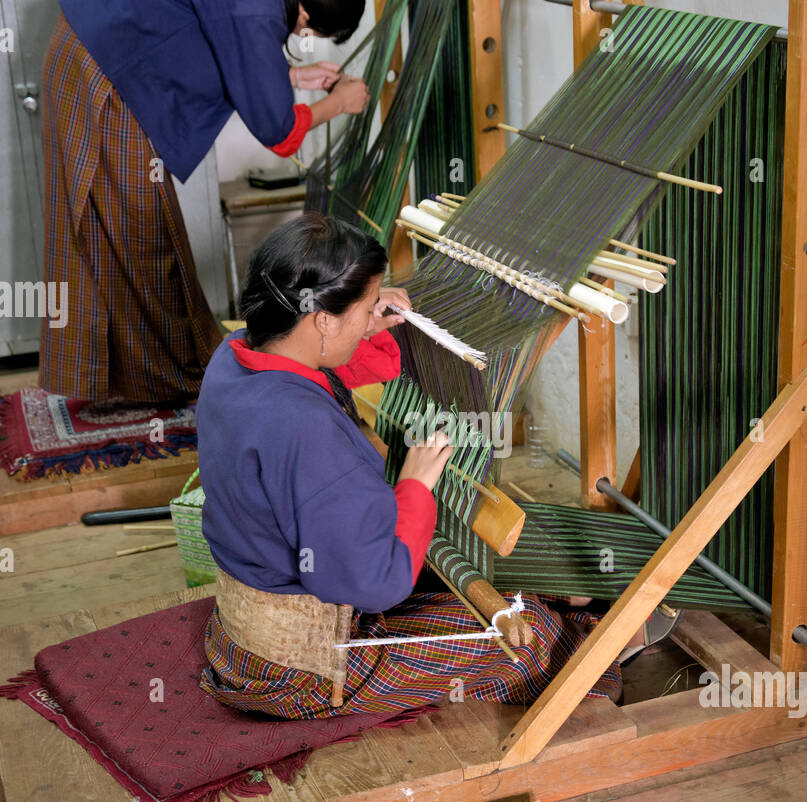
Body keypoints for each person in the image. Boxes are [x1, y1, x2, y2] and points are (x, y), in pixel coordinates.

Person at [194, 212, 622, 718]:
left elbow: (333, 367)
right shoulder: (309, 432)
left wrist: (367, 322)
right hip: (303, 671)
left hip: (241, 633)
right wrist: (414, 488)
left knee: (512, 588)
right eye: (369, 302)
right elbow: (379, 584)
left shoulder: (234, 356)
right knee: (536, 642)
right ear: (323, 319)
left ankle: (570, 605)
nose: (379, 308)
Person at [40, 1, 372, 405]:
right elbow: (280, 133)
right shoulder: (257, 8)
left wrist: (290, 76)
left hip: (97, 60)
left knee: (123, 229)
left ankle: (140, 383)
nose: (301, 38)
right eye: (309, 34)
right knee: (141, 234)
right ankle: (166, 385)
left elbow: (213, 36)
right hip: (105, 74)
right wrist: (341, 102)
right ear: (304, 14)